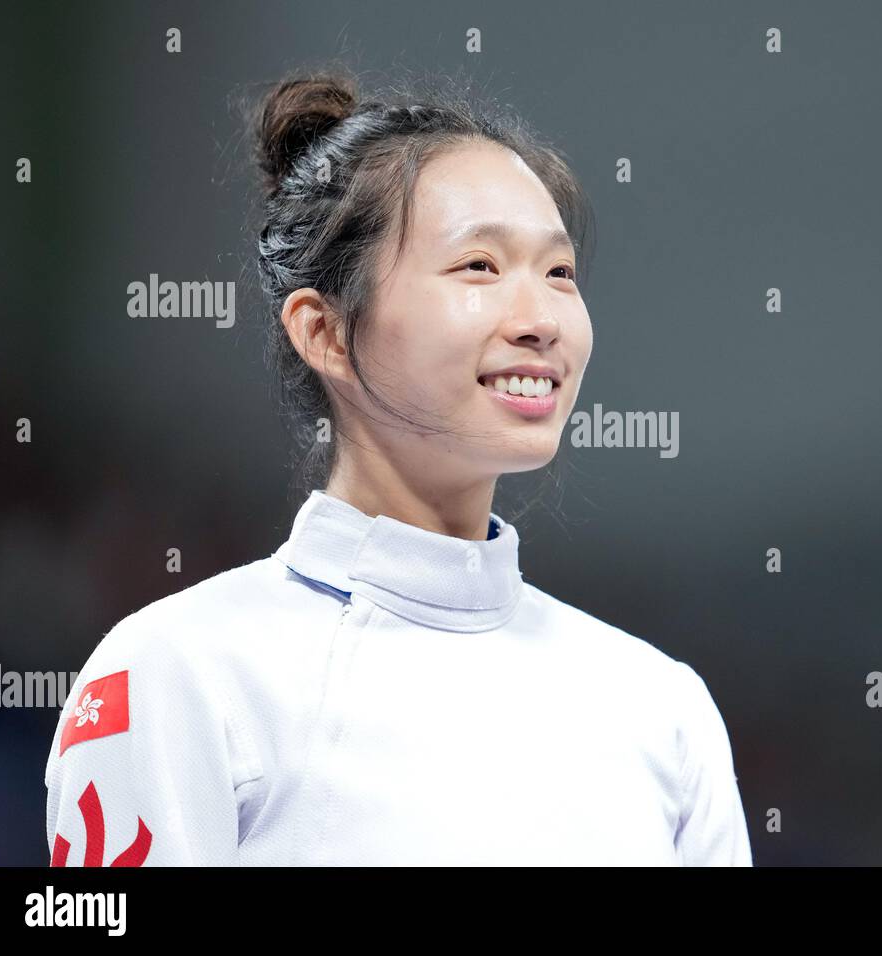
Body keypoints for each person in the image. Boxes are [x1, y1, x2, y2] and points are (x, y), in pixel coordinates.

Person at [43, 69, 753, 866]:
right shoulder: (180, 676)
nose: (541, 321)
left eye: (559, 273)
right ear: (327, 333)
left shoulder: (662, 709)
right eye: (479, 267)